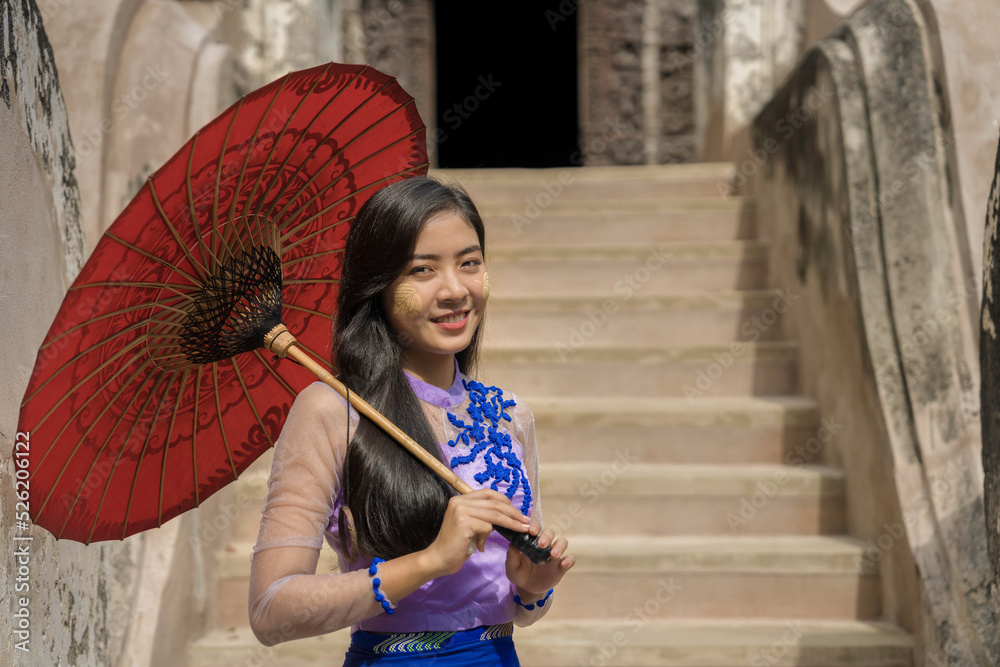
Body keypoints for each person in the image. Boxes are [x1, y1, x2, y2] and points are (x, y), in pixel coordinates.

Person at [247, 175, 575, 665]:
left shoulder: (511, 416)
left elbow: (518, 609)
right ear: (378, 285)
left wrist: (533, 589)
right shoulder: (332, 411)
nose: (454, 290)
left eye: (469, 263)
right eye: (423, 270)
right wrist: (429, 562)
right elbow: (271, 611)